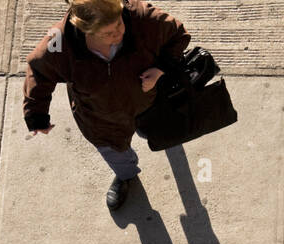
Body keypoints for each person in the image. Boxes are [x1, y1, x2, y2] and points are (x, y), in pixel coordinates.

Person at [23, 0, 191, 210]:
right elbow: (38, 71)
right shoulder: (60, 41)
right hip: (100, 119)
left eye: (119, 24)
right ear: (85, 30)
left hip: (147, 103)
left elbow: (178, 35)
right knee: (116, 155)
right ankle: (126, 176)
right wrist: (36, 115)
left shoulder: (141, 17)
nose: (119, 34)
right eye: (107, 33)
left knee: (156, 133)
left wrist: (160, 69)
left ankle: (153, 136)